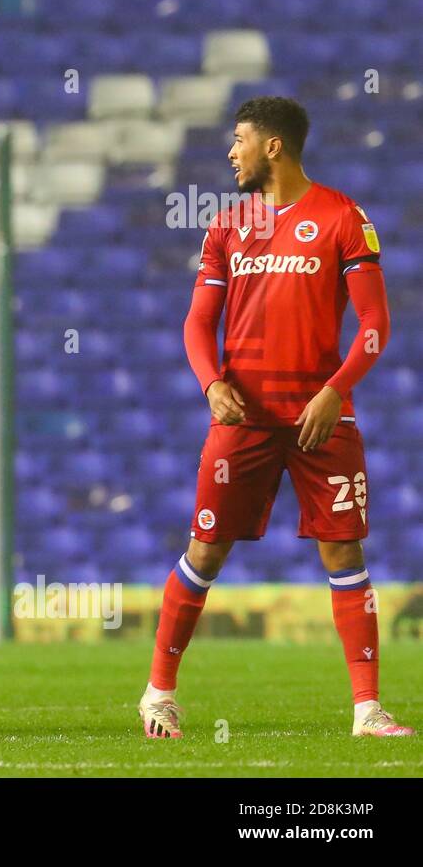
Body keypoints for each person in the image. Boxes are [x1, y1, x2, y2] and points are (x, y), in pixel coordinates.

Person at [139, 96, 412, 739]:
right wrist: (210, 384)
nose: (230, 151)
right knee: (205, 550)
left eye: (238, 139)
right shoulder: (227, 226)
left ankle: (367, 710)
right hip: (245, 419)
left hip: (321, 415)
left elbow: (376, 324)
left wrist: (337, 391)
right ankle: (157, 694)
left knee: (344, 549)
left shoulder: (343, 217)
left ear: (273, 146)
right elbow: (198, 322)